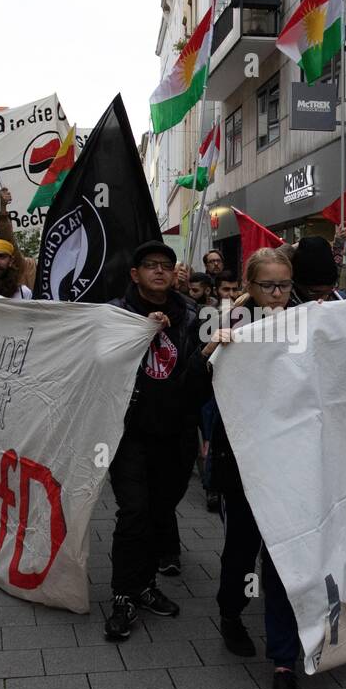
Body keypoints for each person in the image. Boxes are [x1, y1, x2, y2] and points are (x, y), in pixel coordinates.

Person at [203, 246, 307, 689]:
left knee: (284, 559)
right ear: (249, 285)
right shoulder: (226, 321)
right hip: (243, 462)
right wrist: (215, 346)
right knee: (243, 550)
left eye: (284, 285)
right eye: (268, 286)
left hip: (292, 462)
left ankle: (285, 662)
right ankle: (231, 610)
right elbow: (193, 378)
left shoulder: (308, 320)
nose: (278, 294)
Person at [104, 241, 209, 639]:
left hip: (177, 432)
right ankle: (122, 596)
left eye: (167, 265)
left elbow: (203, 373)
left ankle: (144, 585)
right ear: (135, 273)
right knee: (133, 512)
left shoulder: (192, 315)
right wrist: (141, 334)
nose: (160, 272)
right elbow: (101, 361)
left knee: (160, 511)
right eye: (151, 265)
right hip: (129, 432)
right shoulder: (116, 313)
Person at [291, 236, 346, 303]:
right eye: (315, 292)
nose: (323, 299)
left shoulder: (343, 300)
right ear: (297, 285)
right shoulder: (283, 305)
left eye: (330, 290)